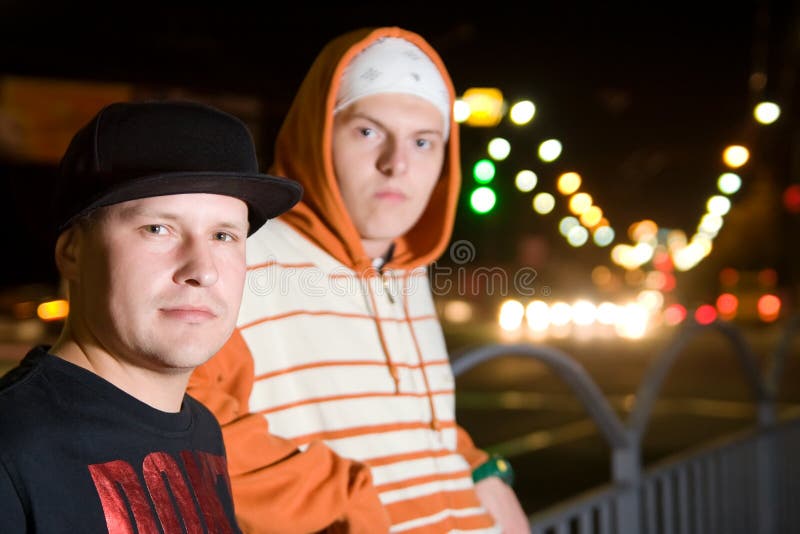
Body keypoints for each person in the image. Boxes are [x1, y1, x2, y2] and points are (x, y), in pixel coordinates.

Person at [189, 27, 529, 532]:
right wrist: (345, 505)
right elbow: (182, 422)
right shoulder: (239, 253)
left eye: (423, 141)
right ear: (316, 134)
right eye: (368, 131)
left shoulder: (407, 268)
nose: (397, 164)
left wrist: (480, 468)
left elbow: (412, 419)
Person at [0, 100, 379, 533]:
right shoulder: (14, 449)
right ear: (72, 252)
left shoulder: (203, 433)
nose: (202, 269)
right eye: (158, 229)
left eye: (223, 235)